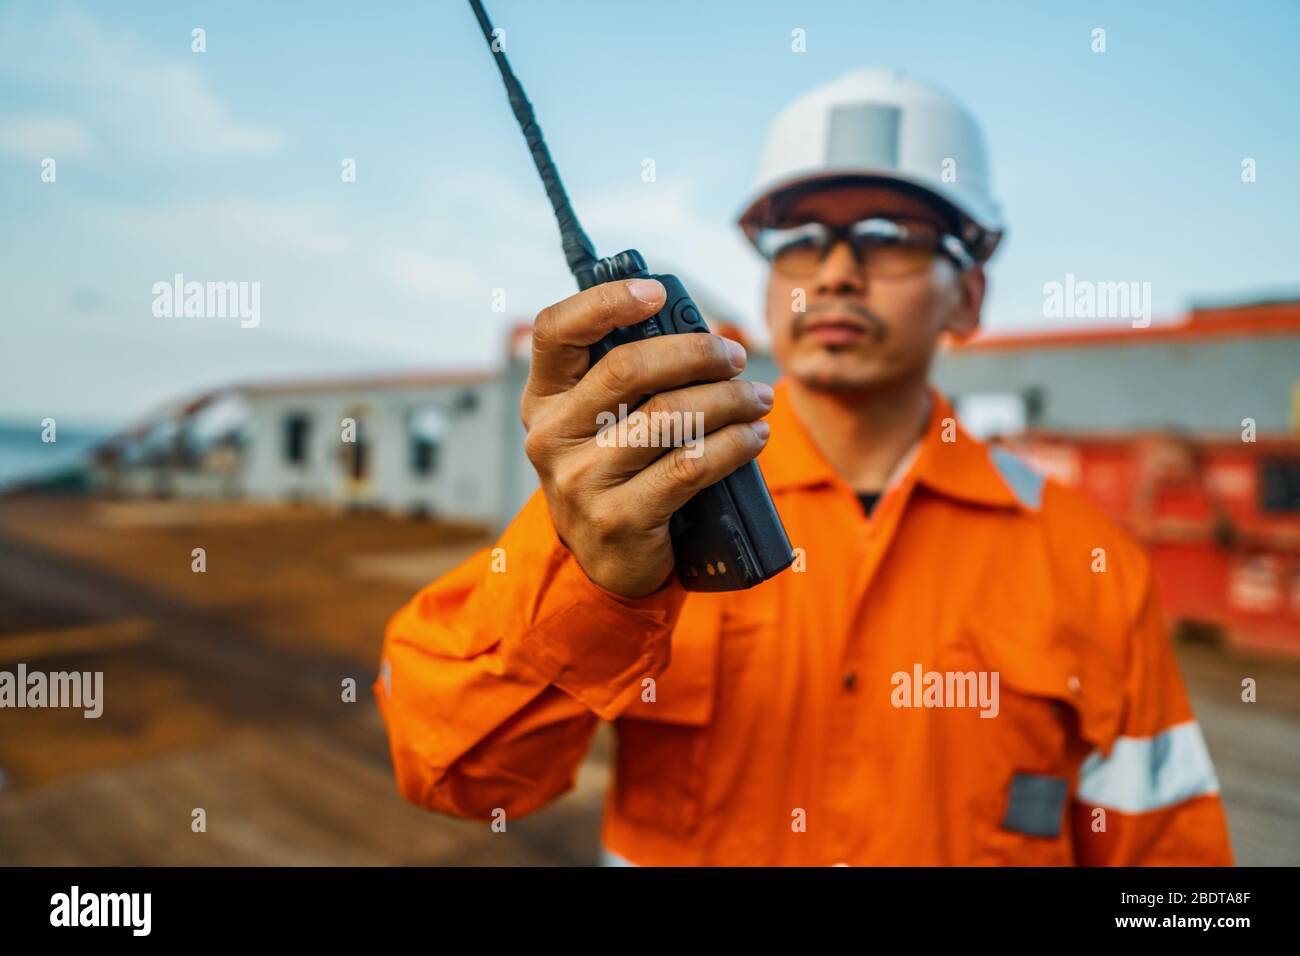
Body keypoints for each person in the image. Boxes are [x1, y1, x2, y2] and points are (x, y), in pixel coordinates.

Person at [374, 69, 1233, 866]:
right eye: (800, 237)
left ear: (968, 296)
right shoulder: (636, 502)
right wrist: (596, 592)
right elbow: (449, 769)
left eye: (889, 236)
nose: (835, 272)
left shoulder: (1086, 561)